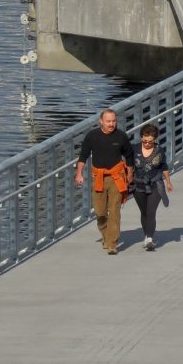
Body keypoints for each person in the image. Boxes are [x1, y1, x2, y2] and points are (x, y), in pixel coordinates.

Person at [75, 109, 134, 255]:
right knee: (100, 211)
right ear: (100, 121)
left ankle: (112, 243)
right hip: (99, 177)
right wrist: (78, 174)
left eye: (114, 121)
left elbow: (129, 156)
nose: (111, 124)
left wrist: (130, 175)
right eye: (108, 121)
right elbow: (83, 156)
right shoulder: (92, 136)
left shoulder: (121, 136)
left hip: (117, 176)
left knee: (114, 211)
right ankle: (106, 236)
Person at [130, 123, 173, 249]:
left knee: (151, 211)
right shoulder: (135, 149)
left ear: (155, 140)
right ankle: (146, 235)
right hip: (139, 185)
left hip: (155, 184)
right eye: (145, 141)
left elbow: (164, 166)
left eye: (150, 142)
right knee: (144, 212)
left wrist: (168, 182)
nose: (147, 144)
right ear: (141, 138)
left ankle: (149, 239)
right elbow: (128, 165)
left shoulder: (159, 150)